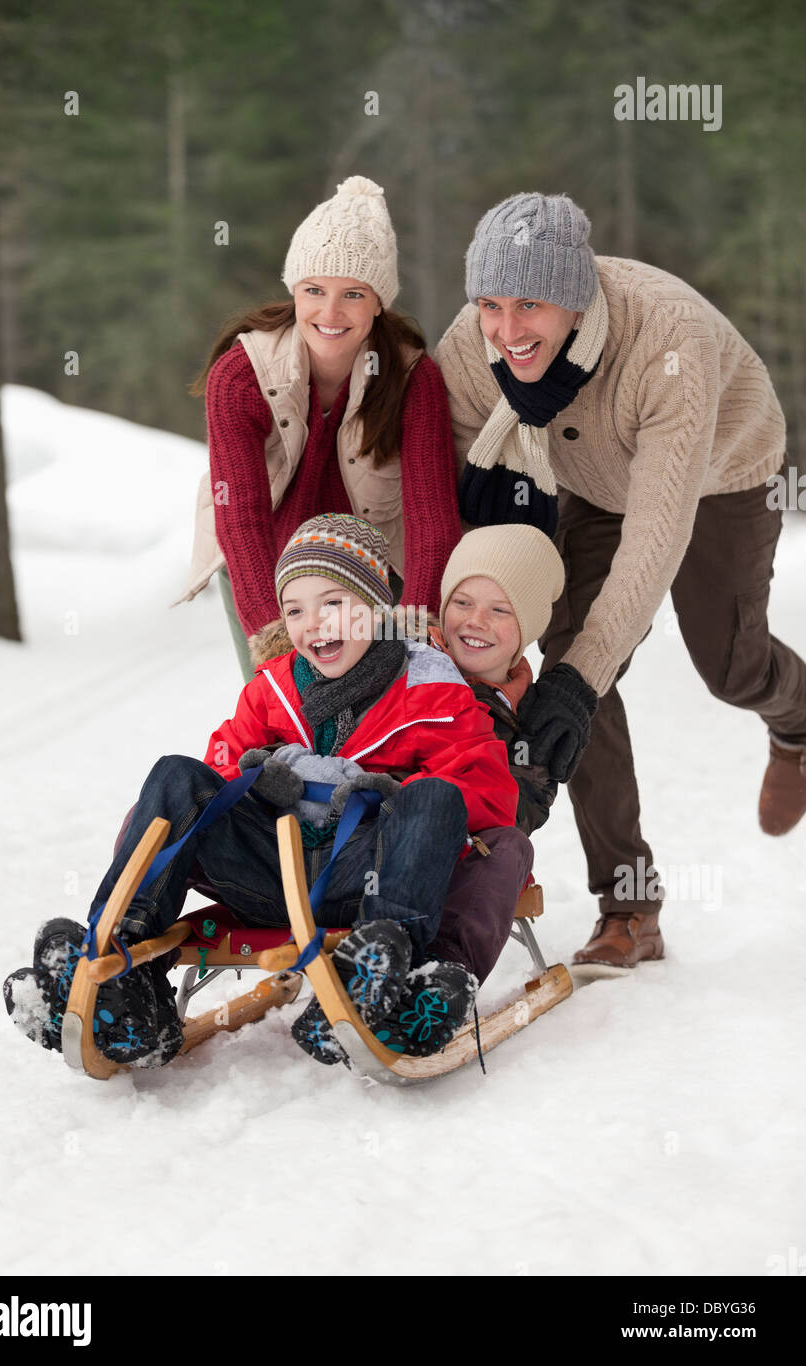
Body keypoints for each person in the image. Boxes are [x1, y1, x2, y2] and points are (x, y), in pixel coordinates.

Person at [434, 190, 806, 972]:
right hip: (587, 480)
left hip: (722, 474)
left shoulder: (667, 338)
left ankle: (798, 724)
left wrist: (581, 678)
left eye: (529, 304)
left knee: (727, 664)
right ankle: (630, 906)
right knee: (572, 666)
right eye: (490, 304)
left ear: (576, 296)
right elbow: (459, 487)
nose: (505, 330)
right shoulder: (473, 344)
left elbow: (657, 533)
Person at [4, 515, 519, 1068]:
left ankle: (374, 971)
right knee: (177, 775)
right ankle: (121, 966)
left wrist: (392, 792)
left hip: (366, 878)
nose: (313, 624)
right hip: (268, 870)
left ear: (375, 605)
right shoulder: (271, 688)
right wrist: (258, 779)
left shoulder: (432, 692)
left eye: (333, 603)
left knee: (437, 796)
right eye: (294, 610)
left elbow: (489, 795)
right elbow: (218, 769)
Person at [177, 175, 463, 683]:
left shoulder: (414, 379)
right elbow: (240, 515)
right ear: (294, 290)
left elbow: (431, 514)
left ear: (379, 303)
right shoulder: (241, 375)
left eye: (352, 294)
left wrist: (418, 626)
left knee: (381, 710)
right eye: (314, 291)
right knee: (279, 708)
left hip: (373, 562)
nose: (330, 313)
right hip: (265, 559)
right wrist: (273, 636)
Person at [431, 523, 564, 840]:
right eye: (462, 603)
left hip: (456, 860)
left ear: (528, 625)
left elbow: (518, 812)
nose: (475, 621)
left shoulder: (533, 720)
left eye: (500, 610)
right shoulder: (406, 666)